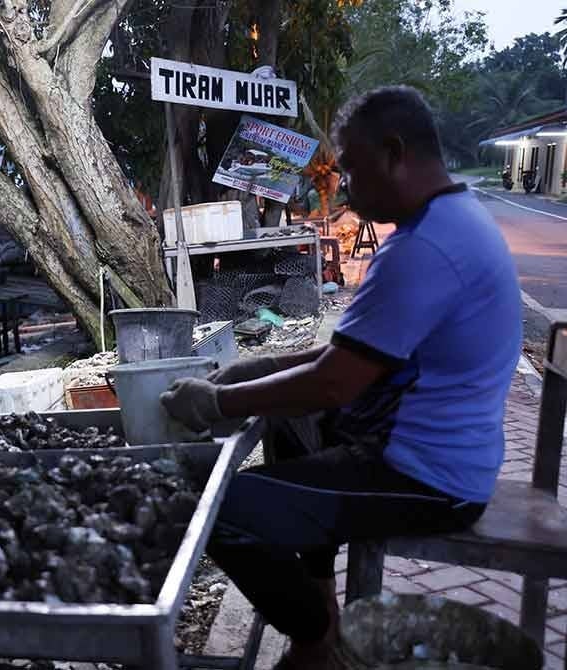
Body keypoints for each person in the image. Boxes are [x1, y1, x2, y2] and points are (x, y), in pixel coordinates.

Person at [160, 86, 522, 670]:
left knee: (205, 507)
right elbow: (349, 354)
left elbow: (334, 385)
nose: (344, 185)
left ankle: (315, 639)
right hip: (419, 447)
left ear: (394, 153)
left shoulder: (425, 248)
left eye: (350, 168)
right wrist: (259, 369)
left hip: (424, 477)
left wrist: (218, 401)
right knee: (285, 420)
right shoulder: (450, 221)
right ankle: (322, 593)